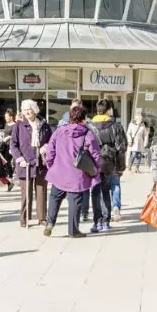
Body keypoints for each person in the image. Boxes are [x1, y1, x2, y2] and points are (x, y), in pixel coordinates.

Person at [43, 106, 101, 238]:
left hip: (59, 172)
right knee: (74, 202)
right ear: (84, 118)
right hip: (77, 174)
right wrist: (96, 169)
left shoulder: (59, 131)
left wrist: (51, 166)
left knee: (55, 198)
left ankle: (50, 224)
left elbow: (50, 151)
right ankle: (73, 230)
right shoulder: (87, 133)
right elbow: (95, 154)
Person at [10, 99, 52, 227]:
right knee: (26, 193)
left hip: (41, 163)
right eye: (24, 109)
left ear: (34, 110)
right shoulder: (19, 125)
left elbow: (51, 141)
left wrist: (47, 146)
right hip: (25, 163)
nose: (27, 112)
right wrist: (19, 158)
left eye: (29, 109)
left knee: (41, 191)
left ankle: (42, 217)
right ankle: (24, 218)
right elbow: (13, 144)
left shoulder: (44, 125)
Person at [91, 99, 127, 229]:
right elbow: (121, 148)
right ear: (109, 110)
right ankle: (106, 221)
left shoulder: (90, 126)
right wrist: (121, 167)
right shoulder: (115, 126)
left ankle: (97, 222)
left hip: (93, 162)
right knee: (106, 191)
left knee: (95, 192)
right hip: (109, 162)